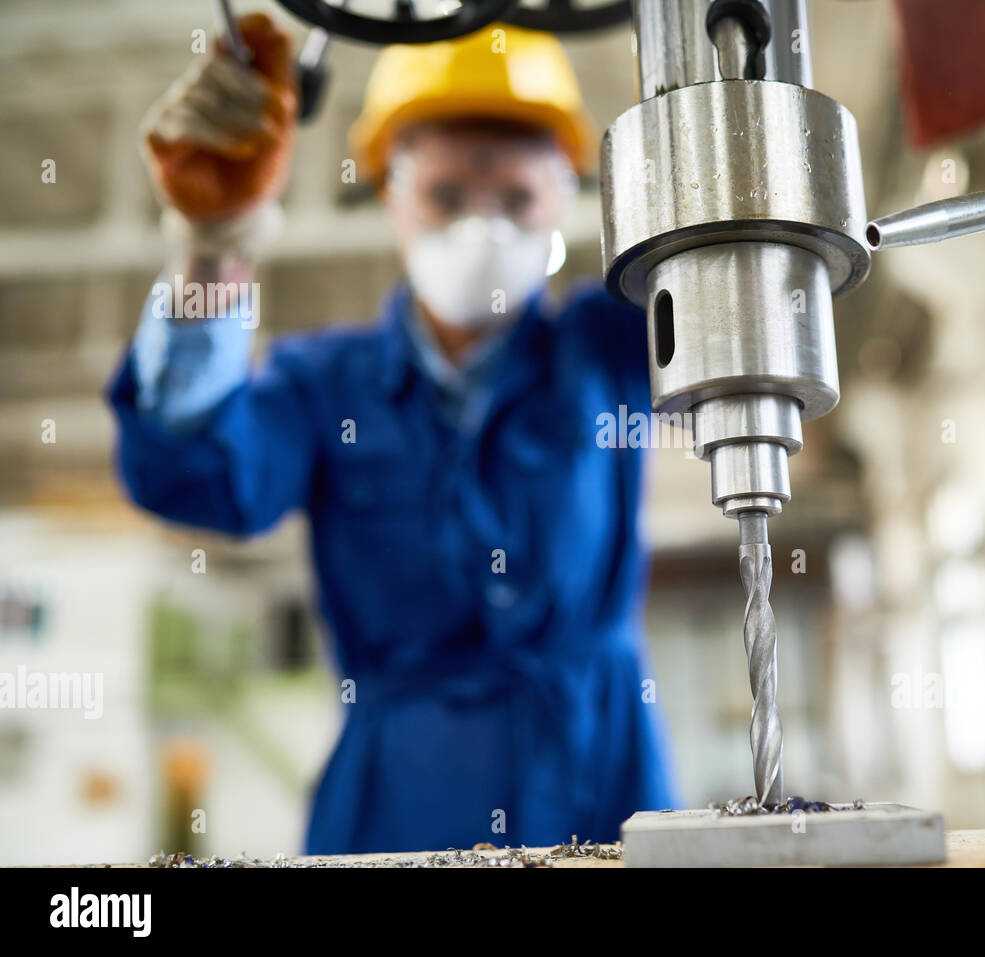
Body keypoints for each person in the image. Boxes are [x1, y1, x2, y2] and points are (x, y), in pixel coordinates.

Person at [108, 12, 679, 853]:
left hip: (603, 778)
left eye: (518, 198)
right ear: (389, 192)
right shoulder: (322, 384)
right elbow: (195, 475)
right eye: (447, 195)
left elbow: (731, 306)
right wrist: (210, 251)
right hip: (397, 800)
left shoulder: (607, 347)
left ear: (566, 194)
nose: (482, 225)